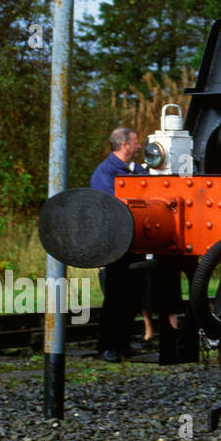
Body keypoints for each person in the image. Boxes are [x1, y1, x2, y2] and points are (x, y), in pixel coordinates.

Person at [90, 127, 148, 362]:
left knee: (132, 297)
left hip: (133, 242)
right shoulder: (106, 172)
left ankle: (122, 343)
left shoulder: (133, 170)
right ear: (124, 145)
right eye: (135, 142)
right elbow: (112, 205)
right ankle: (107, 346)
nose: (138, 146)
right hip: (114, 244)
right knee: (115, 297)